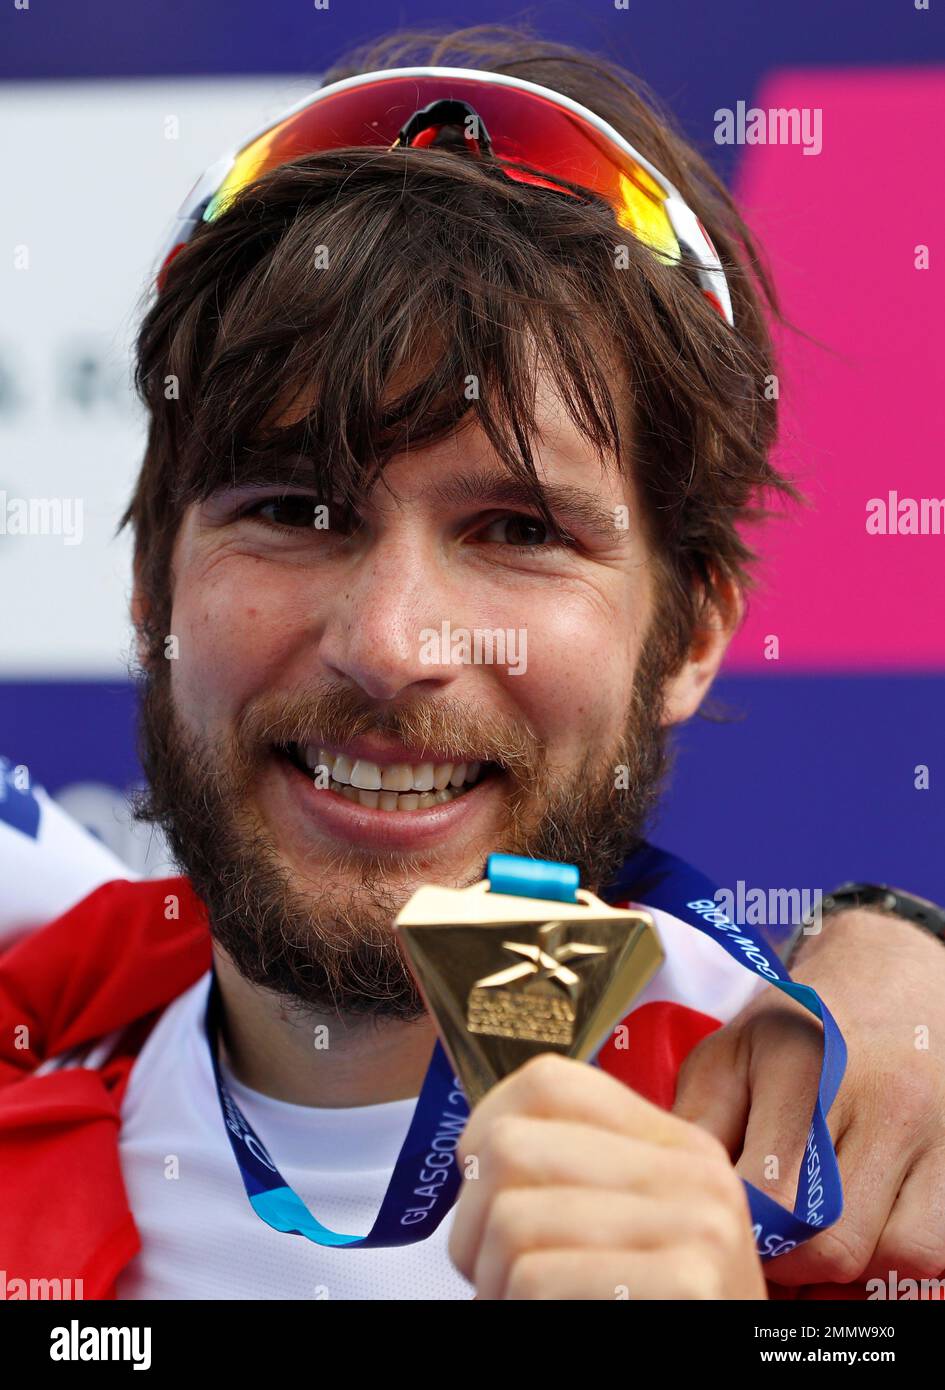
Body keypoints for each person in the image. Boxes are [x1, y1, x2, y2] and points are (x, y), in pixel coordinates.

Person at [1, 25, 943, 1302]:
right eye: (293, 508)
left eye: (517, 531)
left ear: (697, 634)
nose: (392, 646)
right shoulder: (44, 1034)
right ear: (151, 583)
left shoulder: (870, 1196)